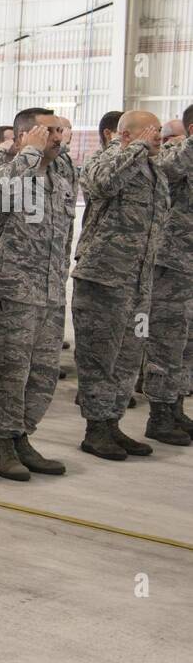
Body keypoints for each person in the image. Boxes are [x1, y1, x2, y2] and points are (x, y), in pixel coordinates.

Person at [0, 109, 74, 479]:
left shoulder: (60, 177)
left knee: (43, 375)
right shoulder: (6, 171)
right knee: (11, 375)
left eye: (59, 131)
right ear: (23, 136)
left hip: (49, 294)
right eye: (48, 130)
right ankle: (1, 446)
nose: (57, 136)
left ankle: (22, 437)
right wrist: (29, 155)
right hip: (13, 292)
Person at [73, 110, 169, 460]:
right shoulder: (106, 158)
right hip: (104, 279)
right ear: (126, 135)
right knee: (100, 356)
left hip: (139, 283)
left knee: (128, 358)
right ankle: (95, 430)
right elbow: (101, 184)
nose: (157, 135)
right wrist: (135, 148)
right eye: (151, 129)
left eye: (159, 129)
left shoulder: (154, 170)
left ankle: (112, 423)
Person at [143, 108, 193, 443]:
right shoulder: (176, 153)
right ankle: (159, 415)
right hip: (172, 265)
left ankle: (176, 405)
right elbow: (165, 171)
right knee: (166, 341)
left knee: (188, 344)